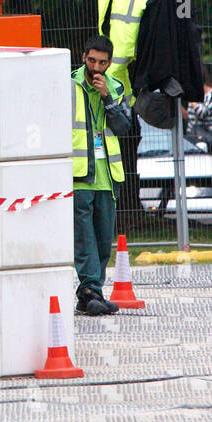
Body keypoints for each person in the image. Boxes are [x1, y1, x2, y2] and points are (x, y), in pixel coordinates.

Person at [73, 35, 132, 316]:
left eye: (103, 62)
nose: (96, 67)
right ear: (83, 56)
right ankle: (90, 290)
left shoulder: (116, 87)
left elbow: (123, 126)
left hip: (108, 175)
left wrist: (108, 97)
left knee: (102, 239)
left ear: (109, 63)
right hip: (79, 173)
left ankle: (90, 294)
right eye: (92, 60)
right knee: (84, 238)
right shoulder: (68, 84)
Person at [182, 67, 212, 154]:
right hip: (192, 137)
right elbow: (189, 117)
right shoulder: (193, 94)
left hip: (209, 140)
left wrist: (191, 99)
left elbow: (203, 112)